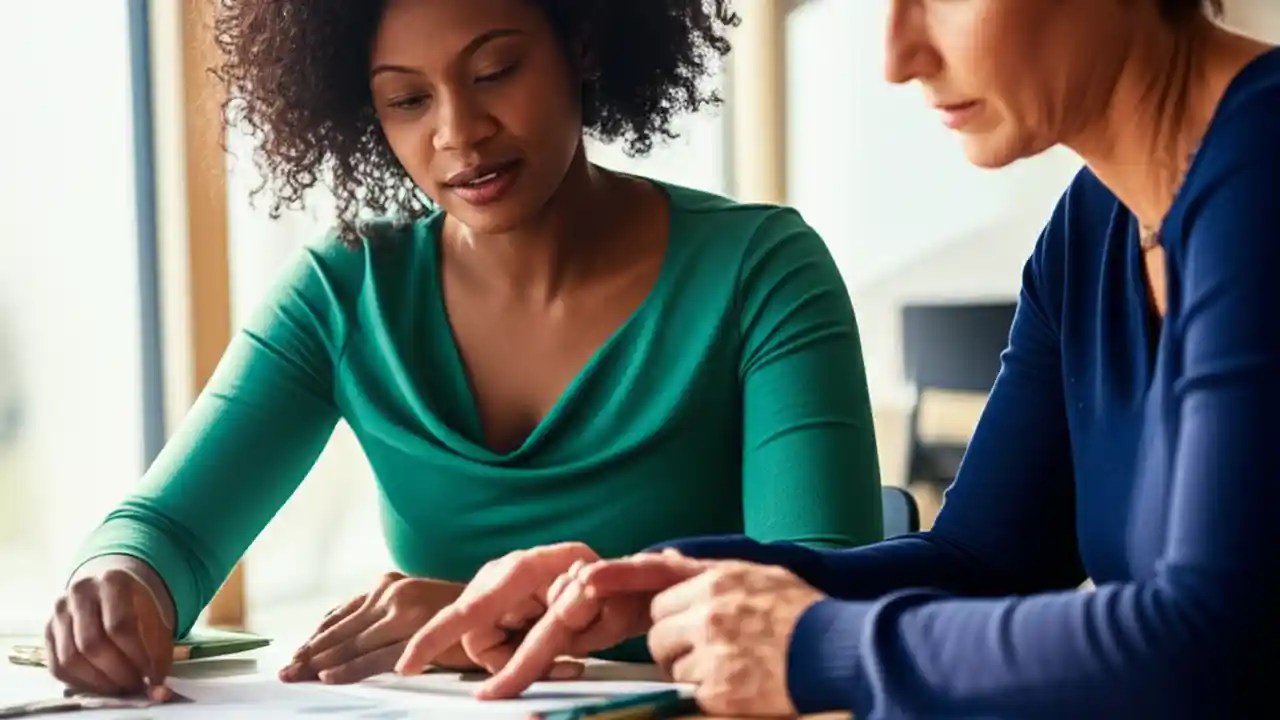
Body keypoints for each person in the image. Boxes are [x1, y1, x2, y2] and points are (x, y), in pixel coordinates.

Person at [392, 0, 1280, 716]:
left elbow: (1212, 643)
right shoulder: (1094, 225)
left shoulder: (1265, 163)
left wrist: (814, 647)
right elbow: (981, 562)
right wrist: (664, 581)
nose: (898, 54)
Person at [40, 0, 886, 701]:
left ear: (582, 43)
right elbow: (168, 532)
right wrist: (122, 582)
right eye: (407, 100)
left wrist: (484, 617)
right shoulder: (346, 292)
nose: (459, 131)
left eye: (494, 73)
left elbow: (820, 599)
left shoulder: (761, 271)